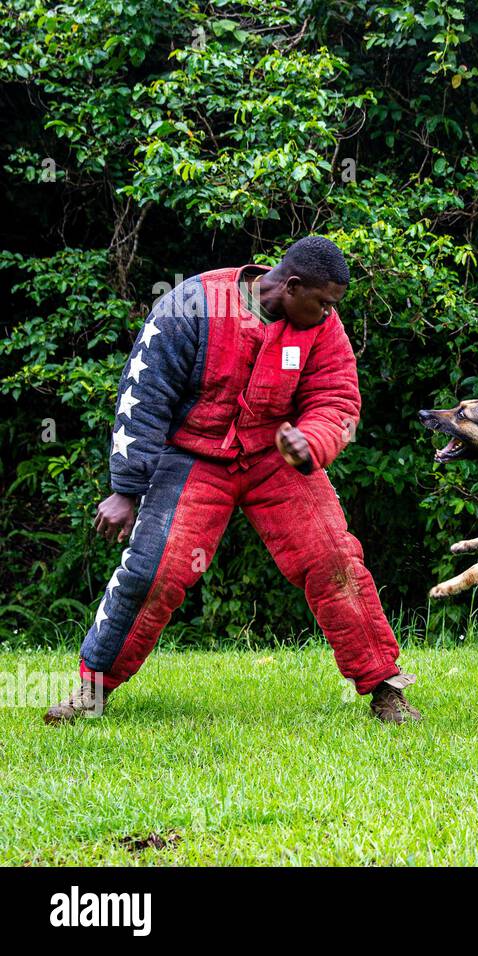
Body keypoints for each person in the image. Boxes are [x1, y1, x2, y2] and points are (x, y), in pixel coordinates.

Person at [45, 236, 421, 725]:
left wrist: (312, 442)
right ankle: (91, 690)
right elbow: (145, 396)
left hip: (276, 454)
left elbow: (337, 400)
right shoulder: (192, 305)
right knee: (156, 568)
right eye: (324, 303)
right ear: (291, 286)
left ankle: (384, 687)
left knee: (334, 557)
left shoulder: (323, 328)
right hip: (192, 454)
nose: (331, 314)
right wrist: (125, 488)